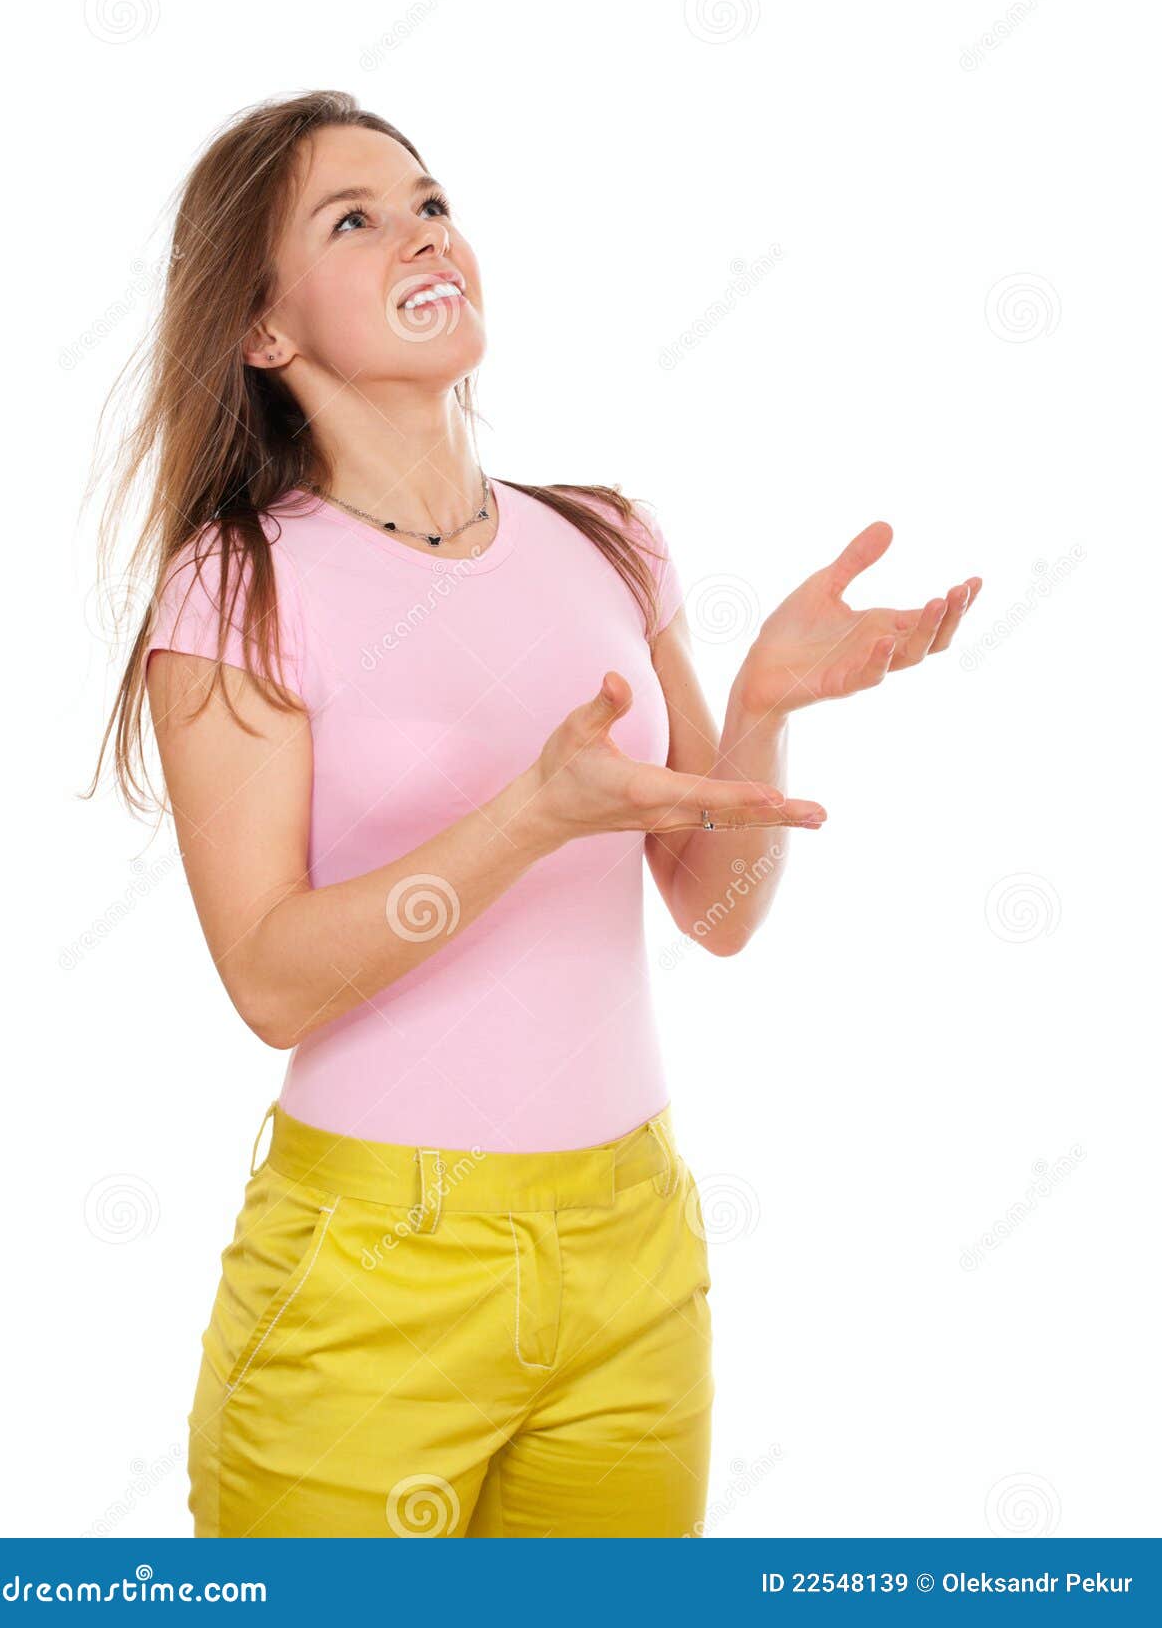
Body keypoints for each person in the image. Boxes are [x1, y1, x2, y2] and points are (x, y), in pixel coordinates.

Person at [88, 90, 981, 1538]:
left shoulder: (606, 540)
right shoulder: (238, 581)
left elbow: (719, 908)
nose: (422, 236)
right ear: (264, 332)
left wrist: (761, 704)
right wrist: (532, 816)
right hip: (375, 1271)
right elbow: (265, 977)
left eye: (430, 202)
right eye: (355, 220)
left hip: (634, 1252)